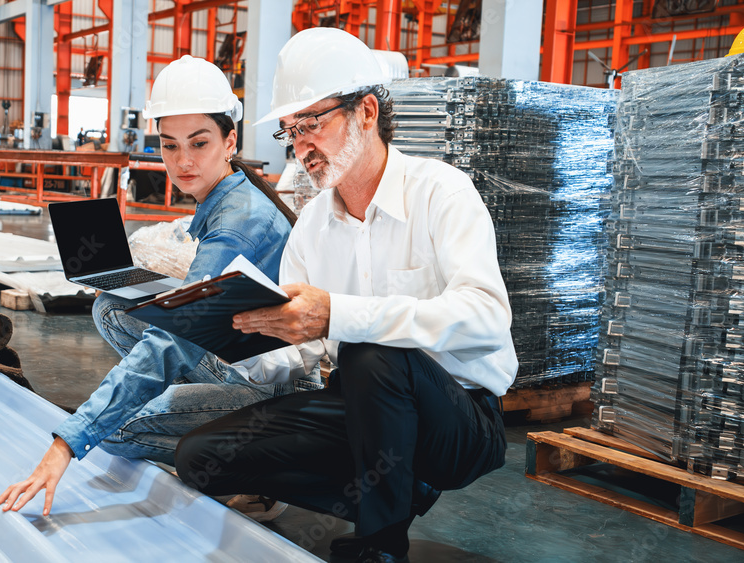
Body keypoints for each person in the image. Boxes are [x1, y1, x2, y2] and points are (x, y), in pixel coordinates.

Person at [174, 28, 517, 563]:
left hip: (460, 421)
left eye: (313, 124)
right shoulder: (312, 225)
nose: (302, 146)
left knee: (368, 349)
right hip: (366, 413)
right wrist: (232, 342)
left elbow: (487, 318)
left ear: (366, 112)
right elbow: (303, 353)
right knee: (202, 457)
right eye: (291, 131)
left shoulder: (441, 193)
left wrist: (336, 314)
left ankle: (380, 546)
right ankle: (398, 492)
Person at [0, 56, 317, 518]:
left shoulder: (238, 224)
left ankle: (257, 474)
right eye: (169, 146)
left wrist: (67, 443)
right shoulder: (234, 192)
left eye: (199, 144)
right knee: (112, 306)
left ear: (229, 141)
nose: (183, 161)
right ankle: (180, 410)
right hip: (244, 351)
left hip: (274, 386)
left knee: (117, 430)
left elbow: (173, 339)